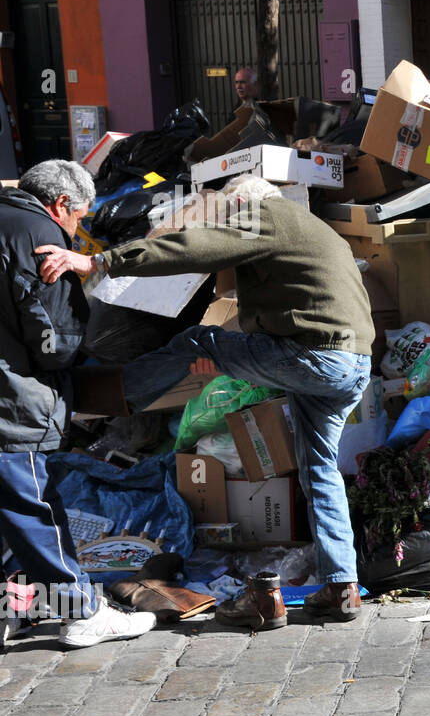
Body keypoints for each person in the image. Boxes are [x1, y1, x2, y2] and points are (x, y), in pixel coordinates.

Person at [35, 175, 375, 626]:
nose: (228, 223)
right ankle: (341, 586)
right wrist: (230, 355)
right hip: (352, 365)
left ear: (238, 203)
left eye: (227, 214)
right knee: (319, 470)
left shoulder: (262, 216)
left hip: (312, 357)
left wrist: (99, 263)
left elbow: (192, 248)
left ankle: (111, 400)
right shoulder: (310, 226)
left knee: (199, 338)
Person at [0, 159, 156, 648]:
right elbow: (55, 340)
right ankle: (82, 609)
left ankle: (11, 605)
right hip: (12, 400)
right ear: (61, 204)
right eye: (79, 218)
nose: (77, 229)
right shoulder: (40, 235)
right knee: (33, 508)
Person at [185, 66, 262, 163]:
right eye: (236, 82)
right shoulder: (238, 108)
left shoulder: (259, 109)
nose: (238, 86)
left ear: (255, 85)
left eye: (243, 82)